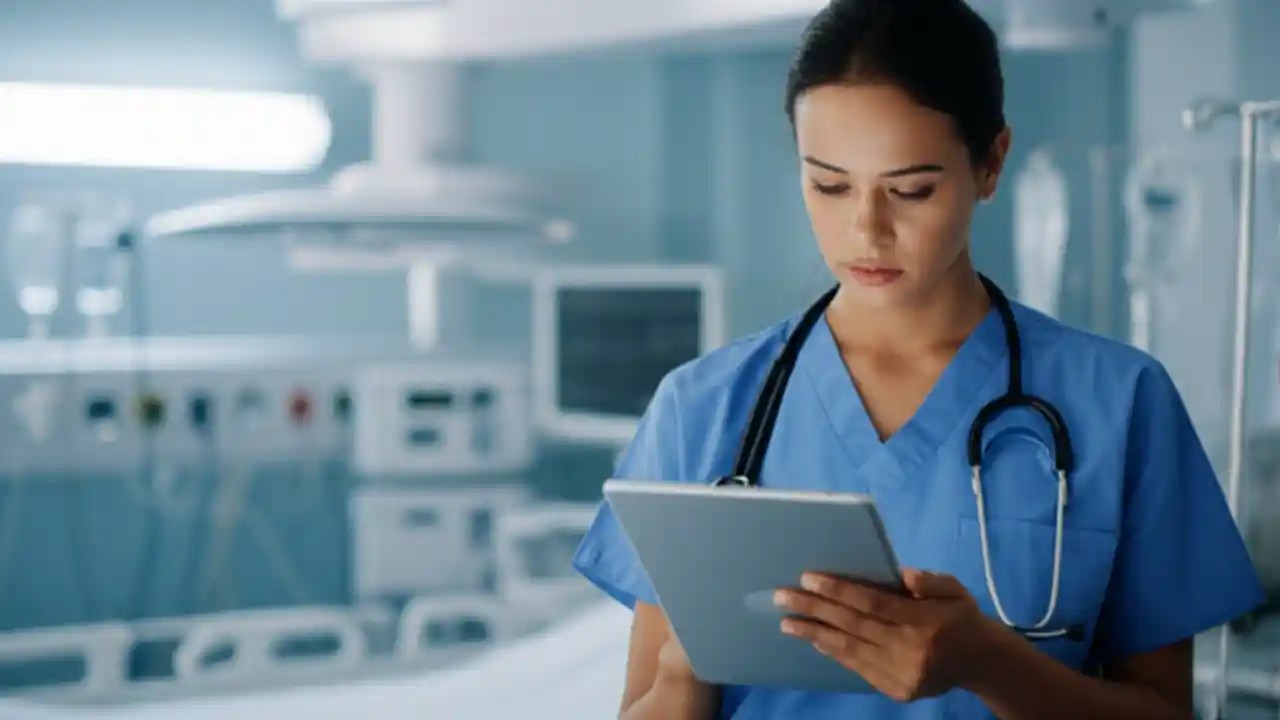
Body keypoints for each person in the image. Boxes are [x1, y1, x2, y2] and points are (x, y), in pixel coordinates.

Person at [571, 0, 1264, 717]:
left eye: (910, 190)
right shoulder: (703, 407)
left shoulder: (1119, 403)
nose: (865, 230)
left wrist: (988, 663)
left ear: (991, 163)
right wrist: (687, 673)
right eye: (829, 184)